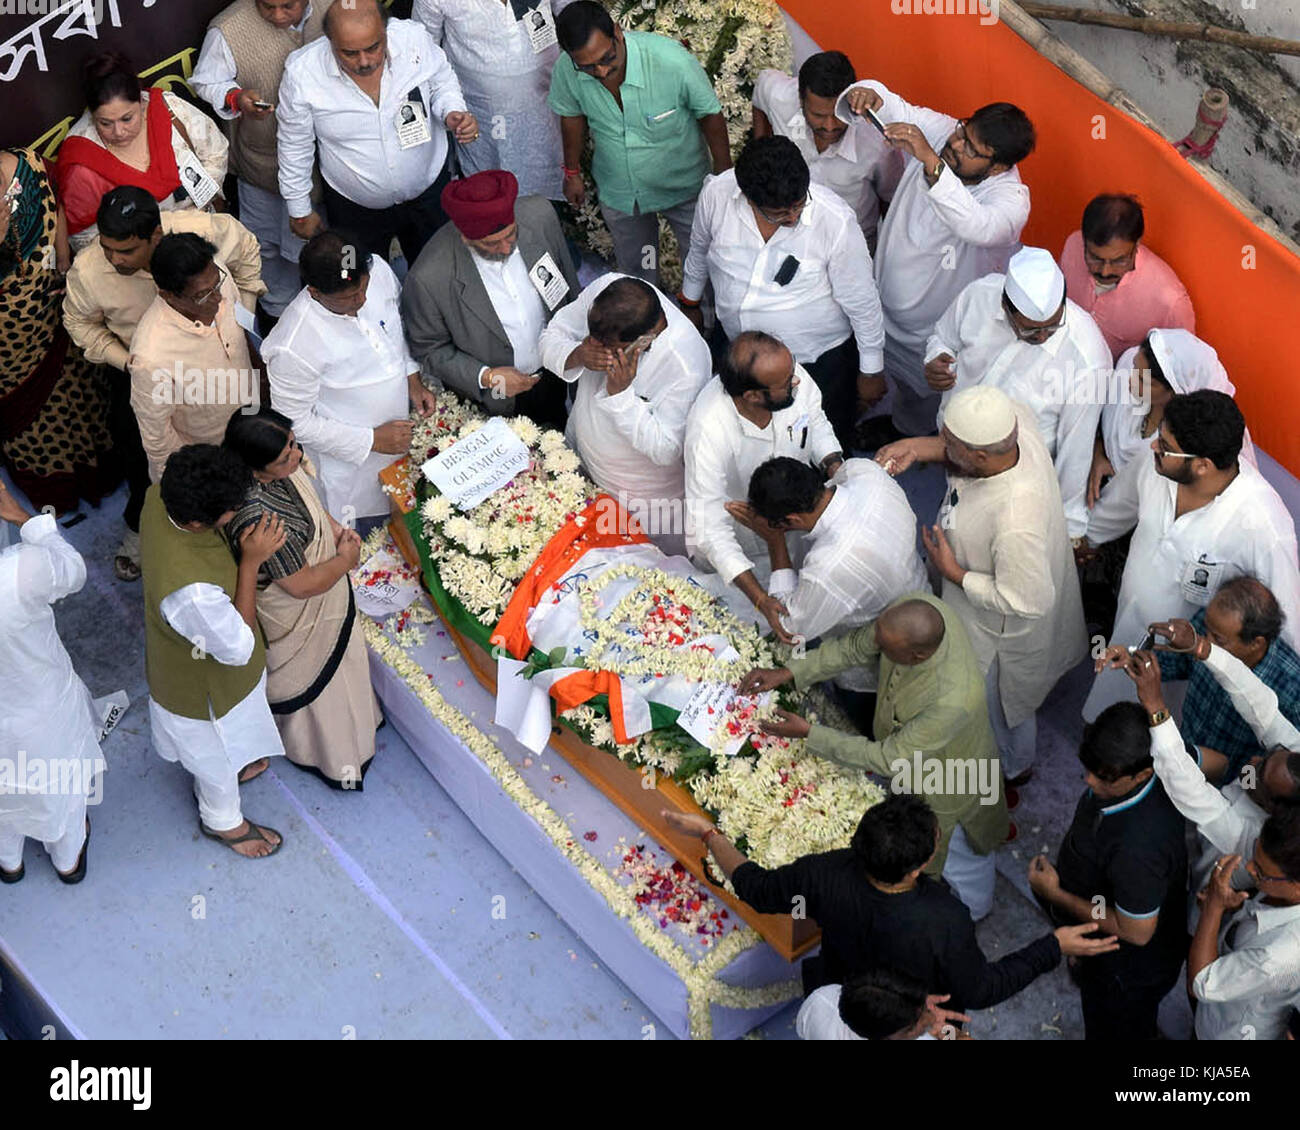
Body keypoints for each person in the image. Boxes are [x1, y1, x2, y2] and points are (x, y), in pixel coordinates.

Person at [661, 793, 1118, 1004]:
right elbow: (979, 989)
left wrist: (709, 834)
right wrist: (1053, 946)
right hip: (908, 1019)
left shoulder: (824, 872)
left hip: (842, 991)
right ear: (917, 868)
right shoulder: (944, 918)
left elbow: (756, 888)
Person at [739, 595, 1009, 921]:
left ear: (918, 655)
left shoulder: (954, 700)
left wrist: (811, 734)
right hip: (910, 760)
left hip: (949, 778)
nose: (877, 646)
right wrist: (790, 672)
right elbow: (855, 646)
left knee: (959, 856)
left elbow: (887, 759)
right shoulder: (914, 611)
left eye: (887, 649)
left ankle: (971, 916)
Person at [877, 387, 1088, 785]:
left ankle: (1012, 768)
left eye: (949, 446)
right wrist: (918, 447)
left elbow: (1027, 599)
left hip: (1001, 634)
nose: (942, 448)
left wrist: (954, 573)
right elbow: (961, 448)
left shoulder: (1015, 520)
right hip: (976, 578)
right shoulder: (1016, 421)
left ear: (978, 456)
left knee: (1002, 709)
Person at [63, 186, 266, 580]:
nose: (112, 258)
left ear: (155, 236)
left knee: (243, 440)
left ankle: (243, 525)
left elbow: (247, 250)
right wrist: (128, 362)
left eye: (125, 251)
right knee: (146, 462)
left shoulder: (201, 233)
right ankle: (149, 529)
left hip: (225, 357)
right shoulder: (89, 272)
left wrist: (241, 315)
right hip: (141, 373)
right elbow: (77, 322)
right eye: (107, 248)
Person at [1082, 389, 1300, 720]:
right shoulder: (1156, 464)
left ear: (1203, 465)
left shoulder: (1263, 526)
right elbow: (1115, 508)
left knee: (1168, 748)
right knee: (1110, 721)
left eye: (1166, 446)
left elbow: (1286, 628)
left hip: (1186, 672)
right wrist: (1081, 543)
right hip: (1126, 628)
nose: (1154, 445)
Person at [837, 81, 1033, 443]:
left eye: (972, 148)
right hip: (878, 300)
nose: (956, 145)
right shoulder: (946, 133)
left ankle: (903, 428)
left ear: (997, 167)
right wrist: (867, 94)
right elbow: (898, 109)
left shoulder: (1011, 200)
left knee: (918, 394)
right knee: (860, 366)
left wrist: (929, 160)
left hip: (929, 331)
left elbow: (978, 226)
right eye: (963, 131)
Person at [679, 136, 885, 450]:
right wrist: (690, 301)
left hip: (815, 360)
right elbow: (698, 250)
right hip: (735, 347)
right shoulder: (717, 195)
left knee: (821, 439)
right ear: (747, 198)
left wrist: (871, 370)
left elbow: (862, 301)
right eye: (779, 214)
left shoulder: (835, 220)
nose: (793, 218)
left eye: (799, 205)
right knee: (746, 435)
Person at [140, 444, 287, 858]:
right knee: (216, 757)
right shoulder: (193, 595)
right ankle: (224, 823)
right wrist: (251, 562)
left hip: (187, 661)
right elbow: (238, 648)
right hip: (203, 691)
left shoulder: (158, 497)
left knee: (223, 752)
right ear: (196, 521)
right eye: (230, 510)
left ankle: (232, 772)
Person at [223, 407, 381, 788]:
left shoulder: (281, 469)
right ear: (256, 468)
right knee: (324, 690)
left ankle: (364, 723)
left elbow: (311, 506)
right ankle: (333, 756)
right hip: (302, 614)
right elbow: (302, 585)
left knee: (346, 668)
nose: (296, 456)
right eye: (285, 456)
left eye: (293, 443)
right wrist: (344, 560)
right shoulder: (260, 522)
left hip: (326, 589)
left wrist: (335, 529)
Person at [1096, 623, 1300, 908]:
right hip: (1215, 810)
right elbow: (1257, 701)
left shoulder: (1258, 841)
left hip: (1217, 865)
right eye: (1268, 755)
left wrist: (1156, 708)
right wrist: (1203, 649)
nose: (1254, 760)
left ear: (1274, 810)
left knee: (1199, 895)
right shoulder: (1292, 755)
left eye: (1260, 775)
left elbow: (1192, 791)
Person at [1028, 701, 1190, 1041]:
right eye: (1089, 767)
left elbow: (1137, 931)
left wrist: (1055, 894)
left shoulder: (1137, 849)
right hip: (1106, 944)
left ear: (1143, 773)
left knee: (1115, 1029)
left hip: (1125, 969)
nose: (1089, 780)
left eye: (1104, 776)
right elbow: (1213, 762)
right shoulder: (1166, 760)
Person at [927, 245, 1111, 539]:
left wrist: (1069, 526)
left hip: (1010, 476)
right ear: (1004, 304)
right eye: (1029, 330)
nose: (1040, 337)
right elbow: (942, 338)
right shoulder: (978, 295)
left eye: (1051, 328)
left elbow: (1075, 447)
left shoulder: (1088, 358)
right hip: (952, 441)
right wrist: (935, 357)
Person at [277, 0, 476, 263]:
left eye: (373, 48)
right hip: (354, 209)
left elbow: (442, 81)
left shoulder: (413, 38)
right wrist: (299, 208)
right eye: (349, 53)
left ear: (386, 31)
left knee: (441, 270)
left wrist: (452, 111)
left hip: (429, 192)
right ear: (329, 41)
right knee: (359, 279)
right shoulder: (302, 73)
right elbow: (294, 144)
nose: (364, 61)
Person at [549, 1, 731, 288]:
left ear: (618, 33)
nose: (600, 71)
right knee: (638, 266)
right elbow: (571, 117)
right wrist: (571, 172)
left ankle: (703, 322)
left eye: (607, 58)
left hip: (684, 186)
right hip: (621, 190)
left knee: (700, 262)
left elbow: (709, 114)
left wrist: (723, 177)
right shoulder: (566, 70)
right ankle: (648, 318)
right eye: (587, 66)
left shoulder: (671, 60)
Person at [265, 230, 436, 532]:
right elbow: (294, 423)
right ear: (315, 292)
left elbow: (394, 324)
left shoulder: (377, 270)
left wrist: (412, 376)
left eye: (364, 288)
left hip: (406, 440)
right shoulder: (292, 344)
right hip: (353, 469)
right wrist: (371, 440)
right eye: (348, 298)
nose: (362, 299)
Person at [536, 273, 711, 556]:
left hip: (640, 501)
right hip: (579, 458)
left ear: (642, 342)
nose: (597, 348)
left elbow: (668, 449)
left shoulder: (686, 363)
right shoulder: (607, 291)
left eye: (608, 348)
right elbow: (551, 336)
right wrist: (578, 354)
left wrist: (621, 396)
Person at [728, 455, 927, 687]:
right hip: (919, 592)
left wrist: (774, 541)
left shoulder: (829, 565)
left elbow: (790, 627)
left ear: (791, 519)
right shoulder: (865, 471)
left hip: (878, 652)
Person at [401, 169, 577, 425]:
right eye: (491, 245)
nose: (506, 248)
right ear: (465, 238)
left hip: (553, 371)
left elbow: (567, 282)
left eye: (510, 235)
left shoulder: (540, 215)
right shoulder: (428, 278)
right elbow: (429, 349)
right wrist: (487, 376)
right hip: (493, 399)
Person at [683, 331, 841, 612]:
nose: (797, 381)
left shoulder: (788, 375)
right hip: (740, 541)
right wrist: (759, 598)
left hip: (796, 524)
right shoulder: (708, 429)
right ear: (753, 396)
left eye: (792, 370)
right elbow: (709, 525)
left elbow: (815, 422)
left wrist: (836, 468)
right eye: (787, 382)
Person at [191, 0, 327, 326]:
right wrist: (234, 97)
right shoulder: (228, 29)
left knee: (327, 244)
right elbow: (205, 81)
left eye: (288, 6)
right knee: (266, 248)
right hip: (262, 165)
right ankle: (285, 320)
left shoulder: (336, 6)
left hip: (329, 163)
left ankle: (330, 307)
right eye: (268, 7)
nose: (279, 16)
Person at [0, 147, 115, 515]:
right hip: (11, 347)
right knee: (37, 421)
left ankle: (99, 474)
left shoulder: (28, 164)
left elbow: (58, 207)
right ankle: (56, 490)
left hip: (57, 311)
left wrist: (65, 264)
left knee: (84, 392)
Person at [0, 479, 100, 884]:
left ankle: (9, 861)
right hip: (41, 709)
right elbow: (72, 571)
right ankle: (66, 861)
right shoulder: (17, 572)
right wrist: (25, 519)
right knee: (60, 786)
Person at [55, 51, 229, 252]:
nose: (119, 132)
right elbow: (85, 238)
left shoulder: (168, 108)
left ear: (140, 101)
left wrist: (194, 218)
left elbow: (216, 152)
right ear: (92, 115)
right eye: (105, 123)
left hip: (207, 233)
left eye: (127, 118)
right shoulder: (81, 160)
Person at [127, 233, 259, 483]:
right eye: (203, 295)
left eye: (217, 285)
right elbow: (158, 441)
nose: (219, 298)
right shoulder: (151, 358)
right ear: (168, 295)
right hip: (211, 463)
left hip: (251, 429)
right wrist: (199, 483)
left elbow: (241, 332)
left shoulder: (215, 277)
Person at [413, 0, 571, 200]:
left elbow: (571, 11)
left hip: (548, 106)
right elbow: (424, 53)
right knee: (496, 195)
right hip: (484, 119)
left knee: (551, 188)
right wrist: (448, 108)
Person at [751, 50, 903, 252]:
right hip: (787, 239)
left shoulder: (879, 143)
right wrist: (760, 149)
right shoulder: (779, 95)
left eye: (839, 114)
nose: (830, 126)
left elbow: (892, 202)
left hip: (851, 247)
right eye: (818, 115)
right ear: (800, 99)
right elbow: (761, 87)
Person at [1155, 579, 1300, 784]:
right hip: (1184, 759)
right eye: (1207, 632)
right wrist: (1137, 660)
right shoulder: (1212, 626)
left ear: (1256, 643)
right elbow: (1174, 664)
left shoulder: (1292, 690)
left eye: (1219, 640)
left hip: (1233, 792)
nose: (1206, 643)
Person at [1093, 328, 1255, 508]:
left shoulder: (1191, 442)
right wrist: (1099, 449)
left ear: (1175, 393)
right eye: (1135, 368)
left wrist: (1121, 477)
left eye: (1143, 381)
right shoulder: (1129, 369)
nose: (1130, 380)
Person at [1187, 808, 1300, 1042]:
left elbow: (1200, 983)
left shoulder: (1278, 955)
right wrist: (1232, 909)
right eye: (1253, 855)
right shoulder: (1282, 889)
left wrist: (1213, 909)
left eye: (1260, 872)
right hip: (1214, 1015)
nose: (1248, 868)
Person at [1059, 193, 1194, 361]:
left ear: (1137, 244)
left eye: (1119, 261)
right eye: (1095, 258)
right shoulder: (1072, 244)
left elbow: (1181, 363)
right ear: (1084, 241)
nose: (1105, 271)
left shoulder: (1170, 301)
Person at [796, 969, 967, 1041]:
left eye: (924, 1007)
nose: (929, 1019)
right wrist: (953, 1034)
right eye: (911, 1027)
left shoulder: (821, 1000)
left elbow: (803, 1029)